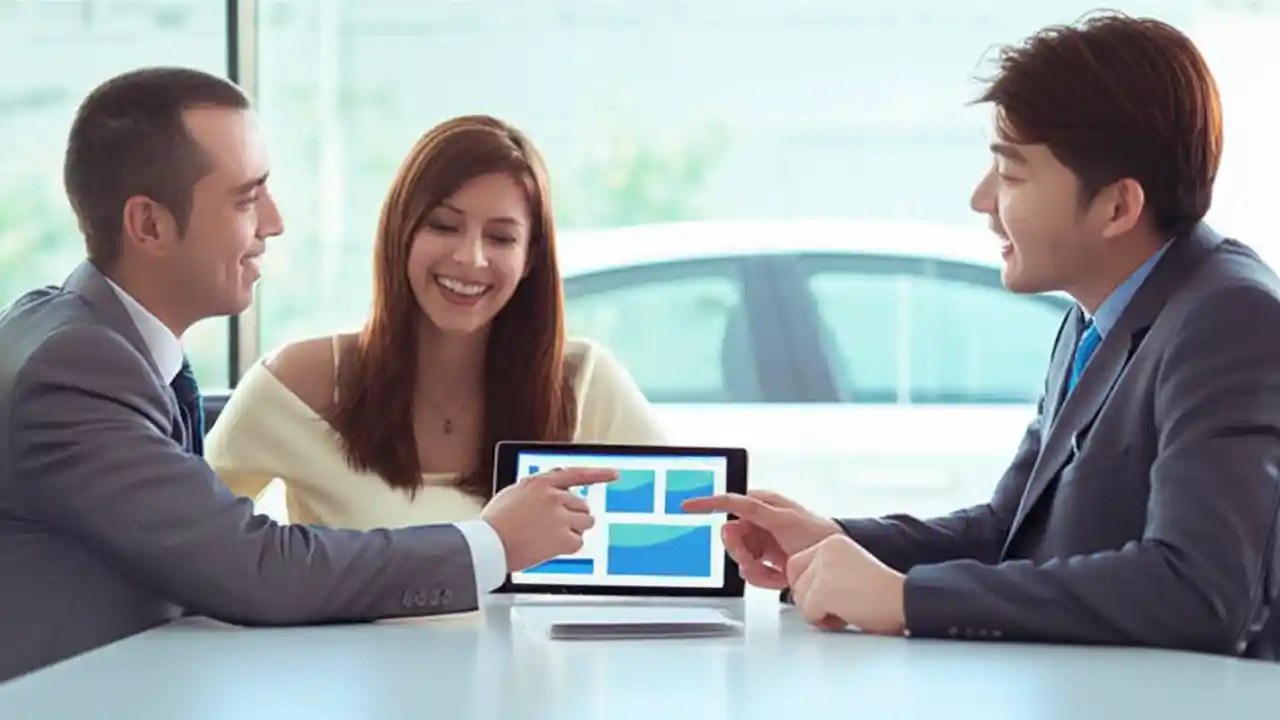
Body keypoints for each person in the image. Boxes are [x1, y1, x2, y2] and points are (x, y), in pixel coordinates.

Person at [685, 13, 1280, 658]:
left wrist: (907, 601)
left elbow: (1198, 590)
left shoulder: (1230, 318)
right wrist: (835, 542)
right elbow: (1010, 529)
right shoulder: (1102, 312)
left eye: (1012, 175)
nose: (981, 199)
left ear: (1117, 207)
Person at [0, 68, 614, 682]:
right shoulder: (78, 370)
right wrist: (491, 544)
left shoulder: (95, 340)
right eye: (246, 199)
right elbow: (251, 567)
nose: (274, 221)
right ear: (150, 226)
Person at [203, 115, 665, 529]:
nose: (470, 257)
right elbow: (184, 547)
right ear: (399, 232)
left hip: (532, 630)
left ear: (529, 261)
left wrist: (737, 527)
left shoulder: (582, 381)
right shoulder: (294, 384)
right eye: (443, 226)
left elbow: (692, 528)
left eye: (502, 237)